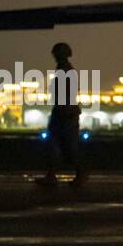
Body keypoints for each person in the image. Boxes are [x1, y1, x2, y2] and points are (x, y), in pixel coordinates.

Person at [37, 42, 85, 187]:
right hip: (65, 112)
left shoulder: (64, 70)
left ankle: (75, 174)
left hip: (64, 113)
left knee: (64, 146)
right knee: (60, 145)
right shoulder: (65, 69)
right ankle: (54, 175)